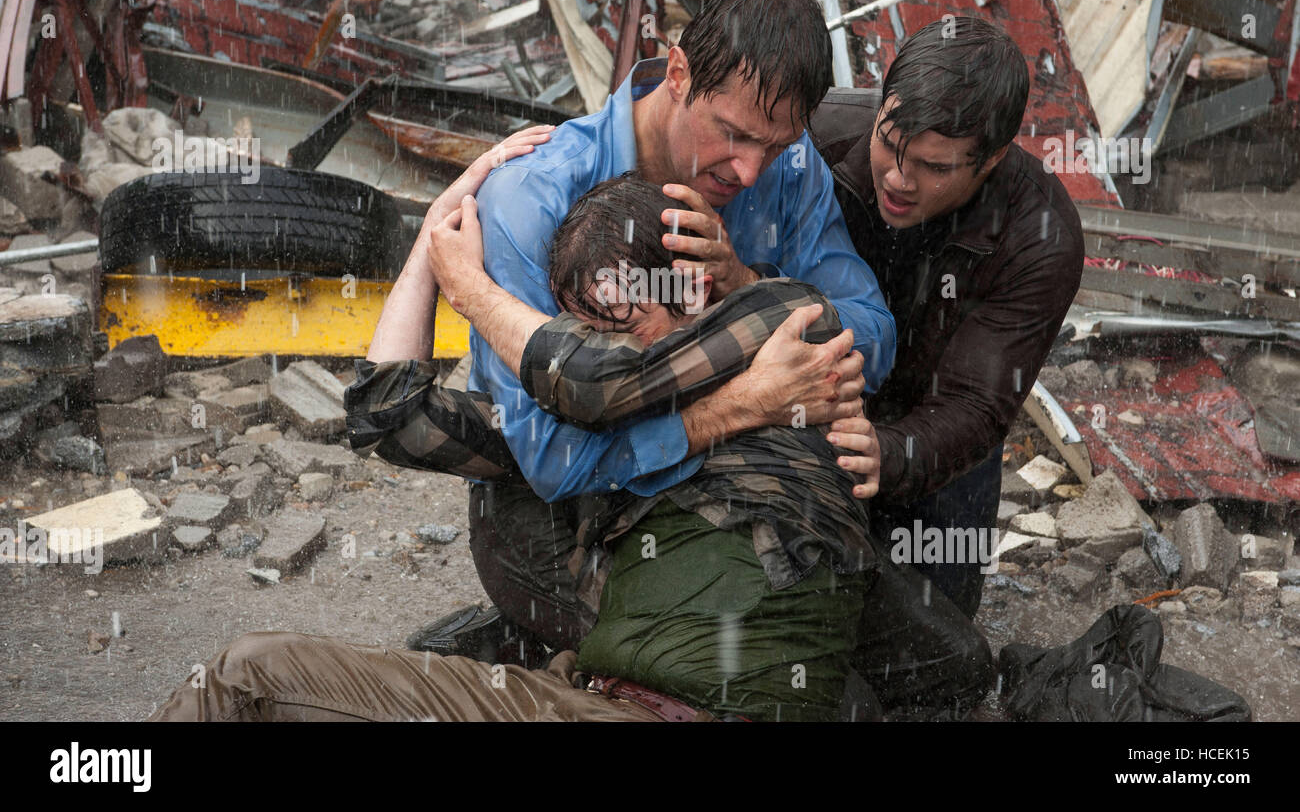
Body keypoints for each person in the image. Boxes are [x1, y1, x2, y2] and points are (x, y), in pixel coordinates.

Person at [151, 177, 990, 722]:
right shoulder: (595, 439)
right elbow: (388, 415)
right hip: (583, 700)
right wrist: (428, 247)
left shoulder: (790, 325)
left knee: (244, 681)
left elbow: (592, 377)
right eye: (584, 323)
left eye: (618, 320)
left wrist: (472, 285)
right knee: (248, 680)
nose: (603, 345)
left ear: (690, 286)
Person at [359, 0, 896, 655]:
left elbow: (873, 335)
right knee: (742, 661)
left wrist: (742, 282)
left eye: (774, 143)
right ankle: (553, 644)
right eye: (731, 134)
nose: (750, 171)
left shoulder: (790, 170)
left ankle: (562, 647)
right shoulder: (533, 197)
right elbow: (552, 457)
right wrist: (748, 399)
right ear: (678, 72)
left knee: (915, 657)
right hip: (560, 515)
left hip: (740, 489)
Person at [805, 15, 1085, 617]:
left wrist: (892, 453)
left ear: (991, 159)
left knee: (940, 657)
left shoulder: (1039, 237)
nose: (897, 180)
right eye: (888, 143)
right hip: (806, 398)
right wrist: (559, 144)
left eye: (934, 167)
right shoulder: (814, 132)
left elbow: (977, 405)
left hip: (937, 441)